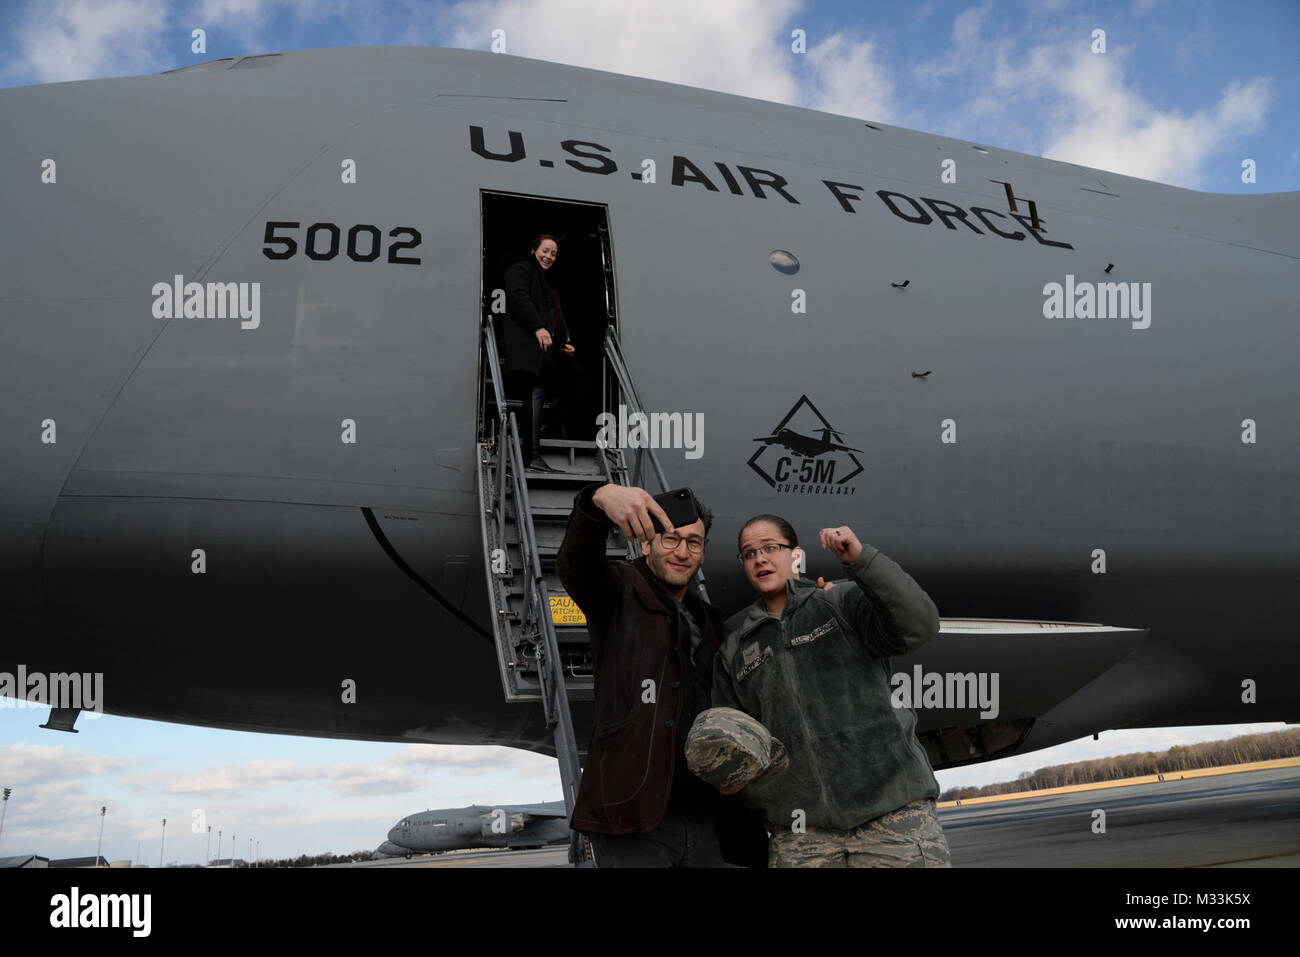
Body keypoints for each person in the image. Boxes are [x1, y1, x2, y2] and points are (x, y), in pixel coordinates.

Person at [711, 514, 951, 868]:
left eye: (770, 548)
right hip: (801, 837)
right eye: (748, 554)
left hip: (892, 820)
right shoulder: (735, 650)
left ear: (796, 555)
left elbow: (920, 624)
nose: (759, 558)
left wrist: (860, 561)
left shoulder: (839, 603)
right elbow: (731, 740)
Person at [556, 483, 768, 867]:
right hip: (634, 818)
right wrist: (596, 500)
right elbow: (576, 564)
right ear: (647, 544)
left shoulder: (714, 623)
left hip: (708, 820)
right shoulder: (617, 591)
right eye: (670, 539)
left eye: (694, 543)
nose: (683, 552)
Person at [500, 234, 580, 472]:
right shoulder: (520, 270)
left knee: (577, 384)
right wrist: (537, 327)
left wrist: (564, 341)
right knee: (534, 392)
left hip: (545, 352)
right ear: (533, 250)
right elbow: (518, 299)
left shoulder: (546, 283)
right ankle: (532, 456)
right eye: (545, 251)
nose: (549, 257)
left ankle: (545, 430)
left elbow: (553, 316)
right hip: (526, 349)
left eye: (554, 254)